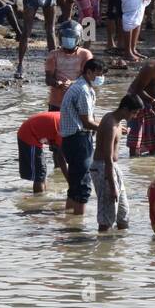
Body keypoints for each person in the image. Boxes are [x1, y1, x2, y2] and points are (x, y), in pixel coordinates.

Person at [59, 58, 107, 216]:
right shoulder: (83, 90)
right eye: (98, 74)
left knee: (74, 184)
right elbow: (87, 122)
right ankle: (77, 227)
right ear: (89, 72)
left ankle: (69, 220)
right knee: (83, 185)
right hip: (78, 140)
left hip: (71, 140)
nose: (100, 77)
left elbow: (88, 120)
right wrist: (110, 127)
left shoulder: (81, 87)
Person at [91, 95, 139, 232]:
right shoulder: (111, 125)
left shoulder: (115, 122)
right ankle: (103, 249)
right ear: (125, 109)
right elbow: (107, 157)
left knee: (123, 217)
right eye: (134, 113)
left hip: (113, 168)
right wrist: (112, 186)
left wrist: (121, 129)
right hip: (104, 168)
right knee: (106, 219)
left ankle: (120, 250)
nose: (135, 117)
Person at [16, 110, 68, 193]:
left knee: (41, 172)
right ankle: (38, 201)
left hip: (33, 132)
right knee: (39, 173)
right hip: (28, 135)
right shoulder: (66, 128)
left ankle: (41, 197)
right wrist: (69, 181)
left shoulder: (69, 120)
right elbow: (60, 158)